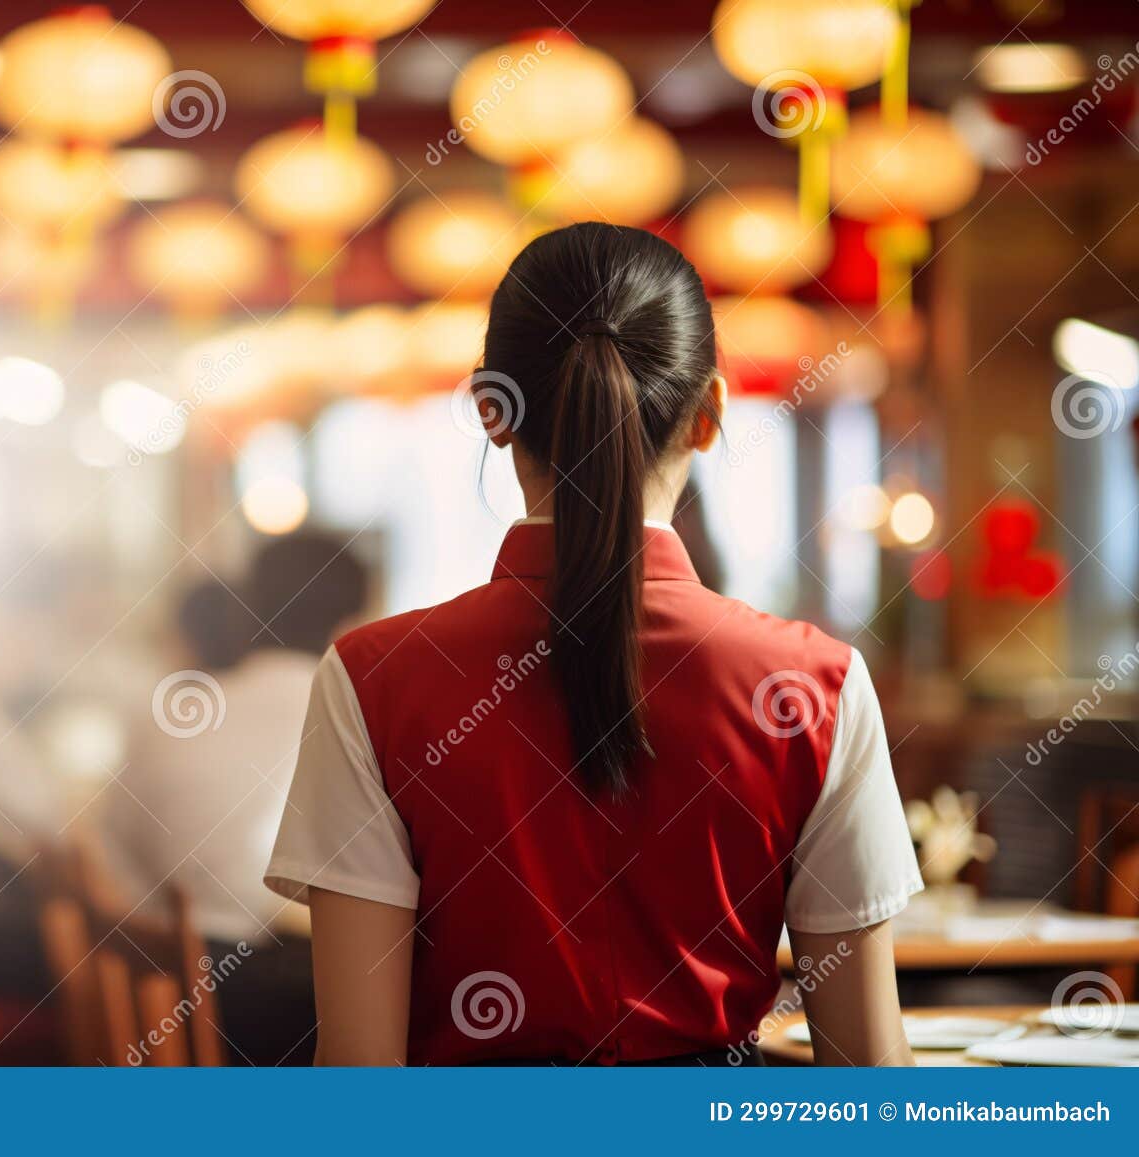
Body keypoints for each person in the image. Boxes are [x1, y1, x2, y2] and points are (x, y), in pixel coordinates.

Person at [264, 224, 923, 1067]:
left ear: (491, 411)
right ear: (711, 413)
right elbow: (867, 1074)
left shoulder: (373, 679)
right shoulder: (815, 685)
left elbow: (358, 1082)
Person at [102, 540, 366, 1065]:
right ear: (356, 619)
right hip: (277, 1016)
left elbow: (116, 865)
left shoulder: (170, 712)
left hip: (166, 1004)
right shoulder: (359, 715)